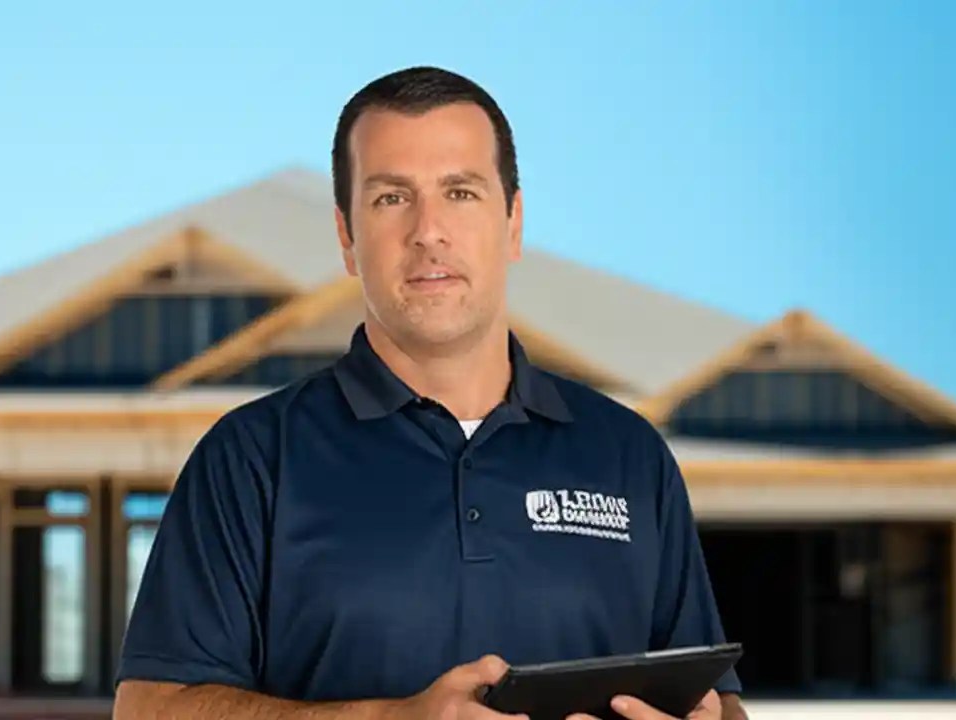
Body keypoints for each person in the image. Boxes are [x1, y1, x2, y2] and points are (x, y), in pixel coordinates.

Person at [112, 66, 747, 720]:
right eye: (391, 198)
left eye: (461, 192)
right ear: (346, 236)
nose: (428, 231)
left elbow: (717, 701)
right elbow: (149, 709)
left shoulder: (629, 455)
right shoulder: (250, 459)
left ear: (514, 221)